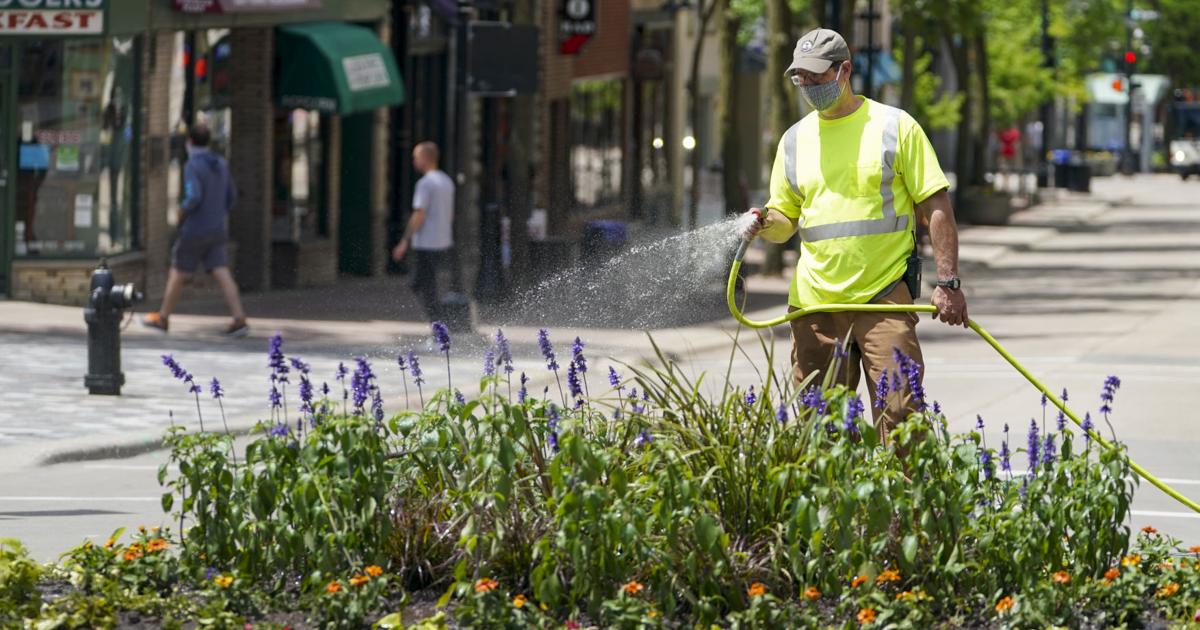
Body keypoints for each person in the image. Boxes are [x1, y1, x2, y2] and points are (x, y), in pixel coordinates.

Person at [745, 28, 967, 443]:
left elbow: (936, 208)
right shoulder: (794, 141)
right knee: (820, 431)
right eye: (800, 78)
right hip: (815, 305)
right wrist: (764, 223)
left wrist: (948, 283)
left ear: (844, 70)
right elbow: (784, 221)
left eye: (816, 76)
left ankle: (902, 509)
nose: (808, 86)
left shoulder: (894, 127)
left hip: (883, 298)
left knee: (903, 419)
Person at [142, 123, 248, 337]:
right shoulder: (220, 163)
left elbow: (194, 196)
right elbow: (232, 196)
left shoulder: (192, 165)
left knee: (178, 272)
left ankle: (163, 318)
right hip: (217, 229)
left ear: (189, 142)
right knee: (222, 272)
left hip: (195, 230)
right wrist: (217, 212)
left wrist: (181, 211)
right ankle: (239, 318)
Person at [392, 141, 455, 321]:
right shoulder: (446, 181)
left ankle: (439, 328)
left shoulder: (425, 184)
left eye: (416, 157)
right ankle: (438, 324)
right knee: (422, 284)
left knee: (425, 287)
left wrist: (404, 240)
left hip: (426, 242)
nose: (414, 161)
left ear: (425, 159)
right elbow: (450, 215)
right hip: (442, 241)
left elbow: (419, 213)